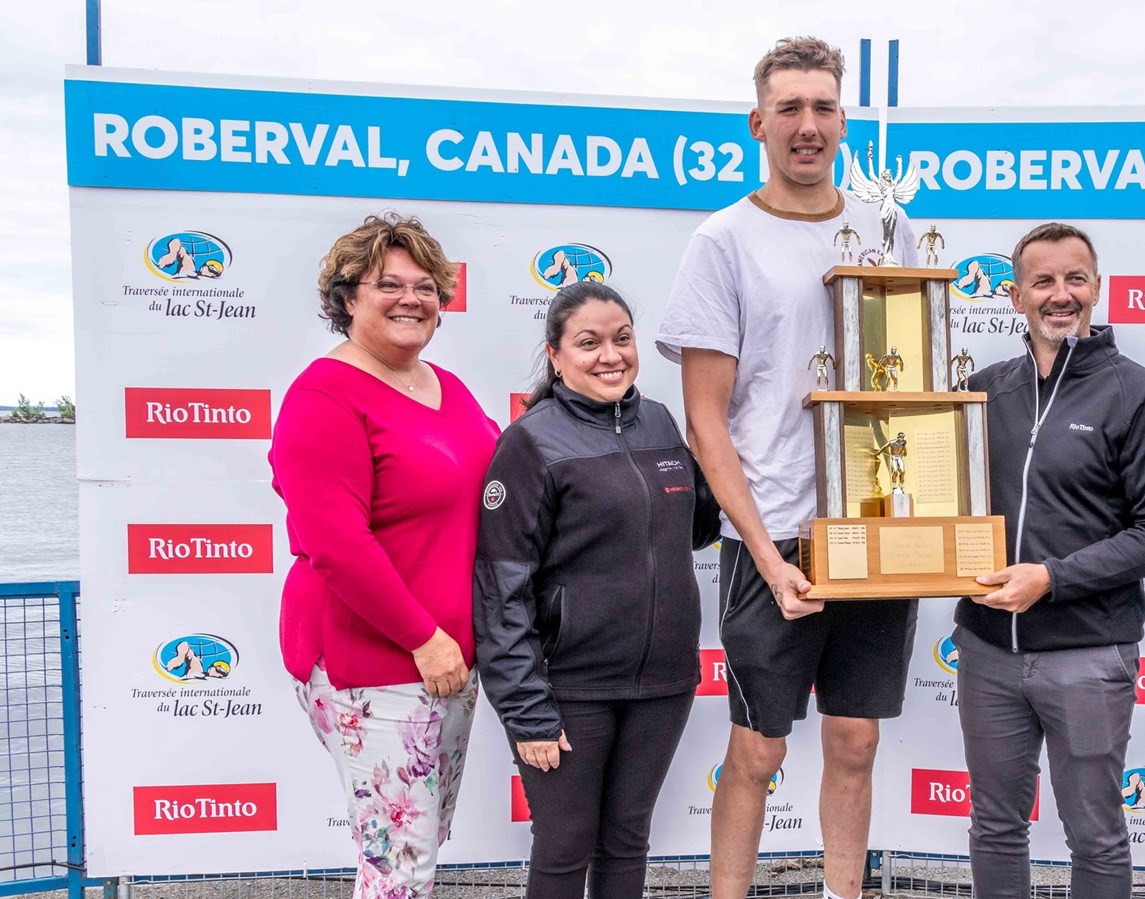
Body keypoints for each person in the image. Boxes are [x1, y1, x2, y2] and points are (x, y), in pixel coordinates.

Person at [653, 36, 918, 899]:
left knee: (855, 741)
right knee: (756, 748)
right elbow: (706, 419)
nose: (809, 125)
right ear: (758, 121)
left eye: (824, 107)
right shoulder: (722, 240)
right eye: (791, 108)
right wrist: (769, 556)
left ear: (844, 120)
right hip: (770, 538)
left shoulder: (889, 227)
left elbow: (908, 388)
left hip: (874, 528)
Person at [956, 222, 1145, 899]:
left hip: (1089, 653)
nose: (1061, 295)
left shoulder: (1137, 393)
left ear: (1097, 286)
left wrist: (1052, 578)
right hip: (986, 650)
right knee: (995, 824)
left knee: (1094, 833)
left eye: (1075, 278)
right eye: (1043, 280)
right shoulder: (981, 390)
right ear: (1015, 295)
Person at [269, 213, 497, 898]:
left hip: (449, 661)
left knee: (417, 847)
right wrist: (423, 637)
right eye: (388, 284)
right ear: (345, 299)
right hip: (373, 661)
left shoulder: (448, 388)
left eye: (426, 285)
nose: (411, 298)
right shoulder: (323, 395)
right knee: (398, 865)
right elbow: (337, 543)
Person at [474, 282, 719, 899]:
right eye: (589, 343)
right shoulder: (531, 443)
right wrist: (527, 711)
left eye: (622, 339)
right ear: (555, 356)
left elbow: (697, 528)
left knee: (628, 842)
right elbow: (502, 588)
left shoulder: (660, 421)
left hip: (663, 683)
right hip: (569, 689)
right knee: (563, 850)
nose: (610, 355)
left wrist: (722, 449)